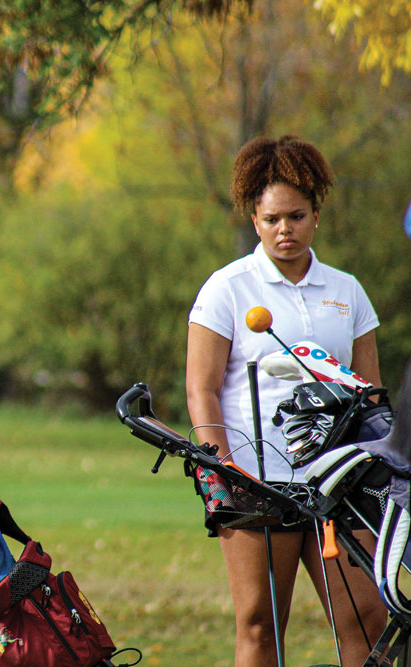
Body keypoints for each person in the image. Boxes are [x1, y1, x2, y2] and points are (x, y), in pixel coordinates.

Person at [186, 135, 388, 666]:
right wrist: (222, 468)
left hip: (340, 487)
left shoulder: (347, 292)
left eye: (295, 216)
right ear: (254, 218)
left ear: (315, 215)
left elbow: (370, 394)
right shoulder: (226, 289)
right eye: (272, 218)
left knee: (368, 617)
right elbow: (200, 388)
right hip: (255, 483)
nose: (284, 229)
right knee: (259, 623)